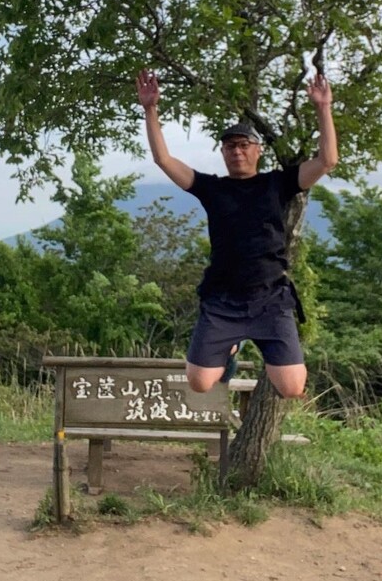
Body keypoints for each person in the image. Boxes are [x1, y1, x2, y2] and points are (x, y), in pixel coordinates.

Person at [136, 68, 338, 399]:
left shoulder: (278, 183)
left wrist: (323, 107)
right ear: (222, 153)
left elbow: (327, 161)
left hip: (270, 298)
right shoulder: (212, 188)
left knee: (292, 388)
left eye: (244, 145)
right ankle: (230, 349)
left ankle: (245, 345)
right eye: (230, 146)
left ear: (258, 150)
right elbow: (163, 159)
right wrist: (150, 109)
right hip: (222, 299)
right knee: (200, 383)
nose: (237, 151)